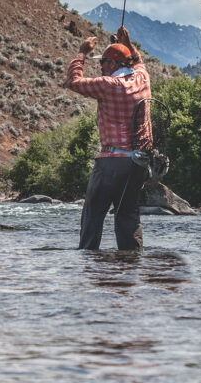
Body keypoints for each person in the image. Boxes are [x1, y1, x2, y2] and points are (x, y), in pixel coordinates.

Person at [64, 25, 152, 250]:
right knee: (128, 217)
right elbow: (138, 61)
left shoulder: (108, 85)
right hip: (137, 164)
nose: (101, 68)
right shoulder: (142, 79)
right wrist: (128, 44)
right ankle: (130, 267)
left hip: (111, 163)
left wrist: (82, 52)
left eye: (102, 63)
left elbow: (73, 82)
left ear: (113, 64)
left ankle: (91, 267)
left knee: (93, 216)